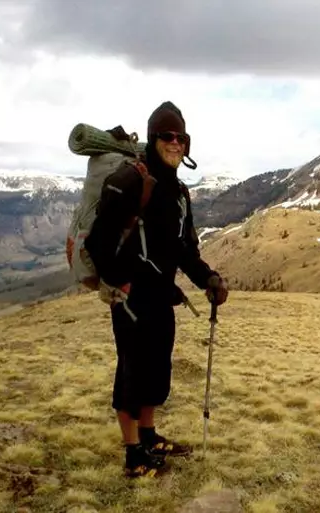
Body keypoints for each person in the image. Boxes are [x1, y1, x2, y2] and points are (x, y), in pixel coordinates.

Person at [84, 101, 229, 478]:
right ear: (153, 138)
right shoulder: (133, 181)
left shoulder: (179, 192)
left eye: (181, 137)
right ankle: (133, 454)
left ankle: (148, 435)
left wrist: (207, 279)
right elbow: (99, 242)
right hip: (131, 297)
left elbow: (184, 249)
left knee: (156, 368)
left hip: (160, 295)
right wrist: (119, 281)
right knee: (132, 371)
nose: (175, 143)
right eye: (167, 136)